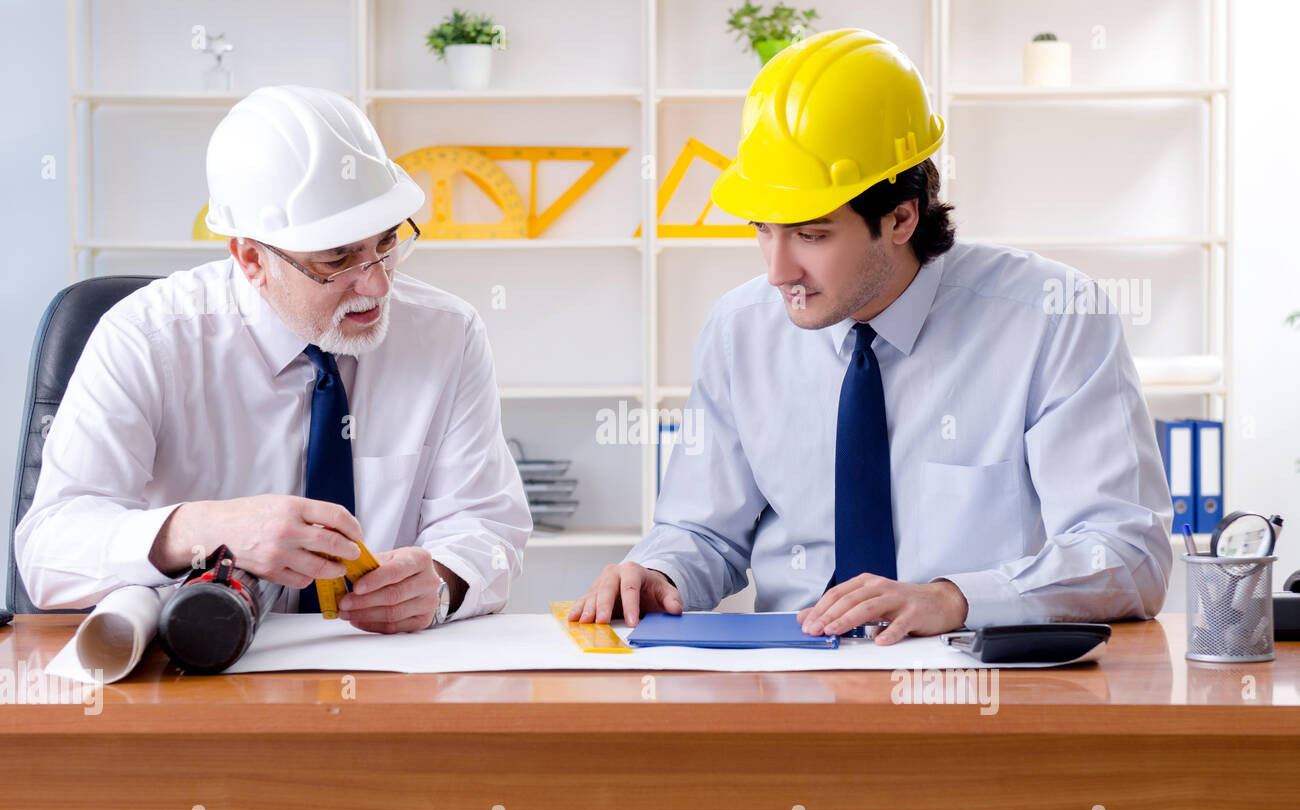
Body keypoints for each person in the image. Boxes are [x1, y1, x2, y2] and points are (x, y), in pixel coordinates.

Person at [570, 28, 1173, 644]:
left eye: (811, 235)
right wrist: (658, 568)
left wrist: (957, 598)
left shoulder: (1052, 317)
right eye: (763, 230)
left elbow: (1129, 554)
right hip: (789, 683)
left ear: (901, 216)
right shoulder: (739, 329)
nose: (778, 273)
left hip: (978, 684)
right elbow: (703, 532)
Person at [16, 85, 531, 633]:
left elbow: (486, 524)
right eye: (337, 259)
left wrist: (444, 584)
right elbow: (47, 549)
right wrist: (206, 528)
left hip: (388, 672)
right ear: (251, 258)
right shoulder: (145, 337)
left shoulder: (447, 334)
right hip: (195, 668)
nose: (378, 284)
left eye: (387, 243)